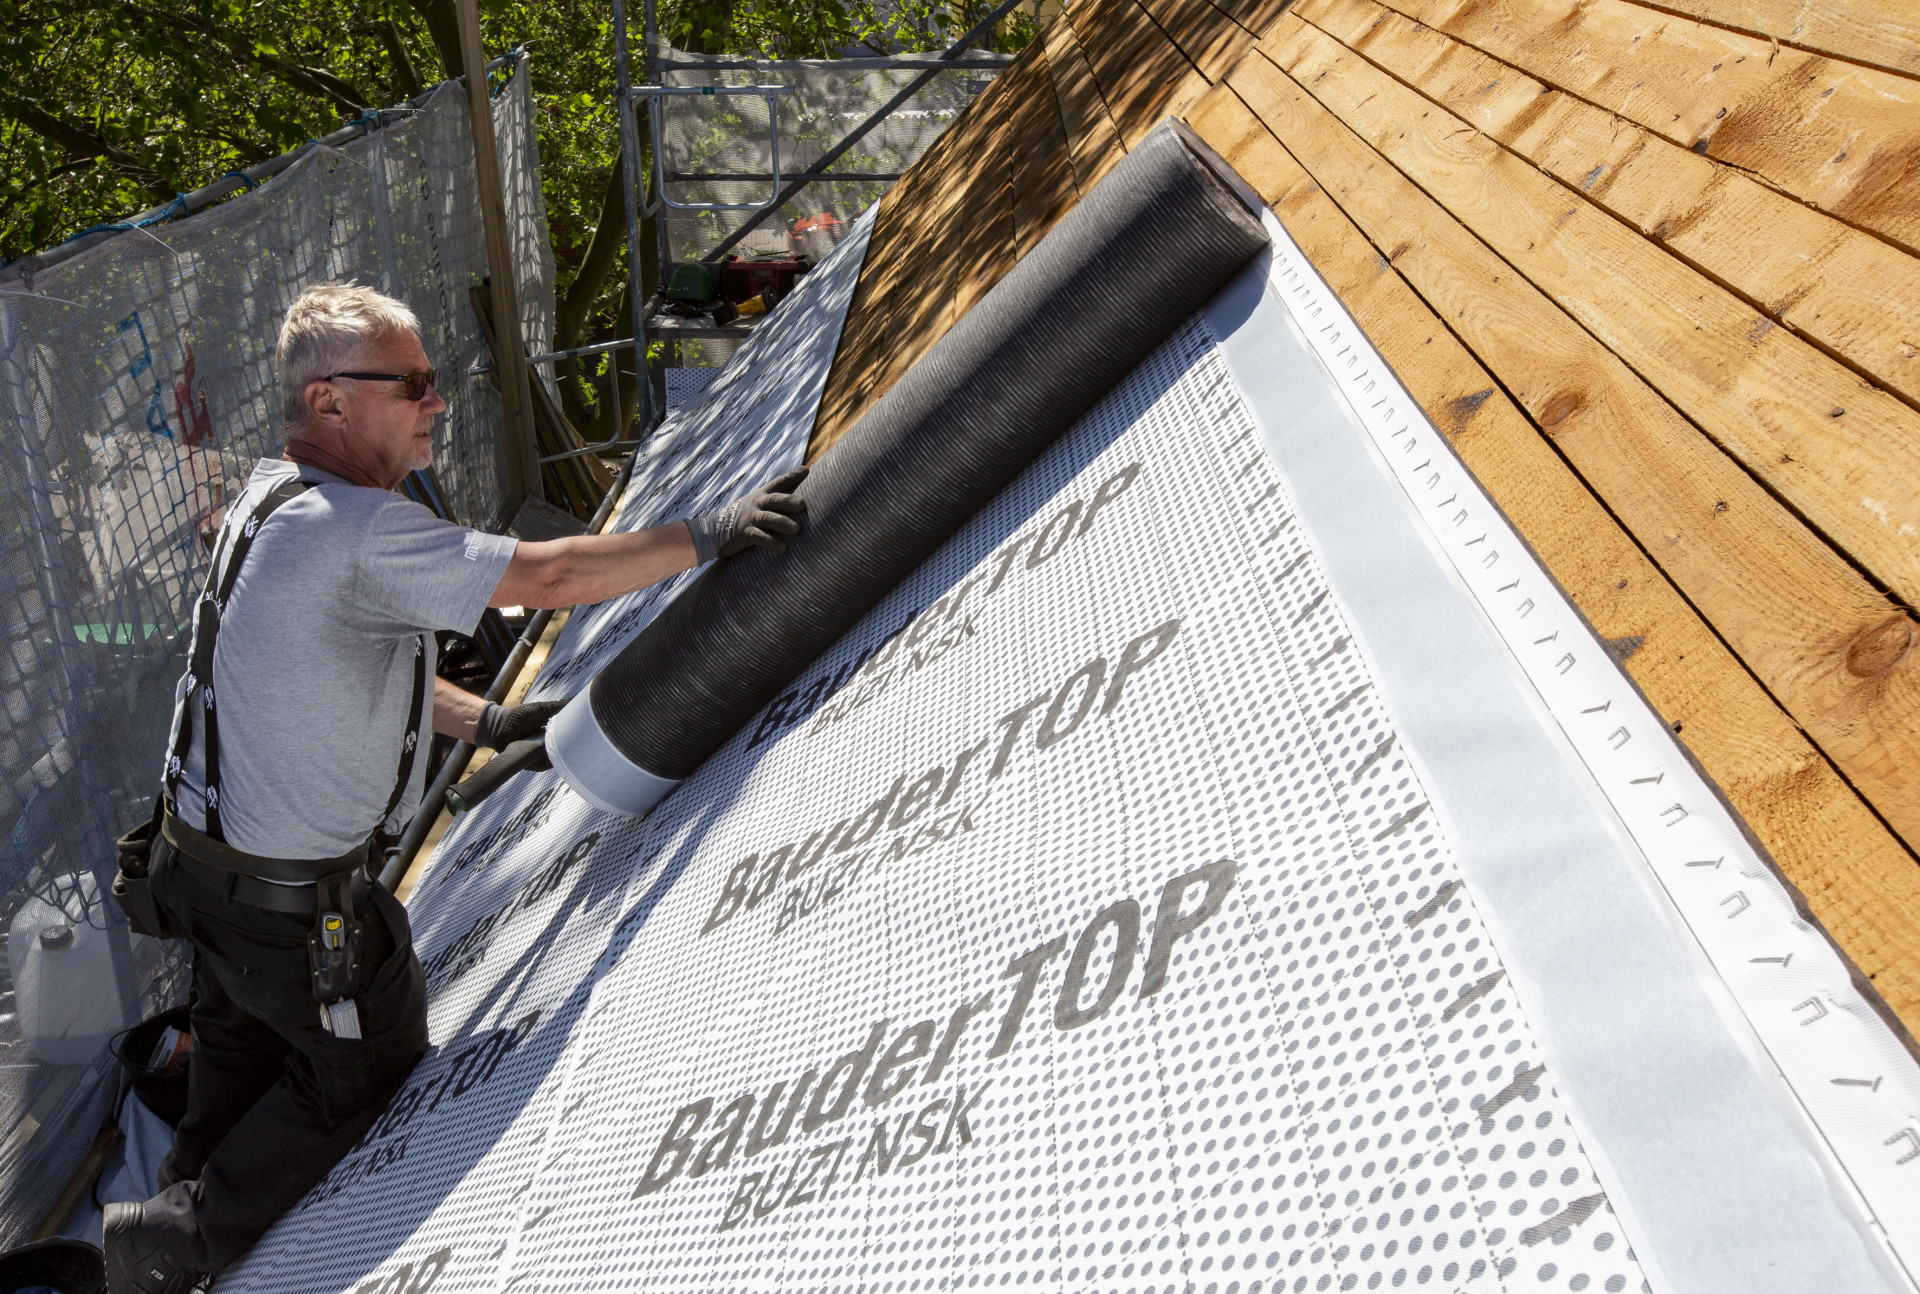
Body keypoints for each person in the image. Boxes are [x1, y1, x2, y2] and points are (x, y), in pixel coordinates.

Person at [101, 283, 805, 1293]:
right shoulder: (354, 527)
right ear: (333, 401)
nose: (438, 402)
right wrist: (710, 530)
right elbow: (547, 576)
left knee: (242, 1048)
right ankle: (176, 1241)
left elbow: (324, 673)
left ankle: (178, 1189)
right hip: (288, 911)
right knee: (363, 1064)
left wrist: (488, 720)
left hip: (207, 881)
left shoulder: (269, 501)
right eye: (414, 384)